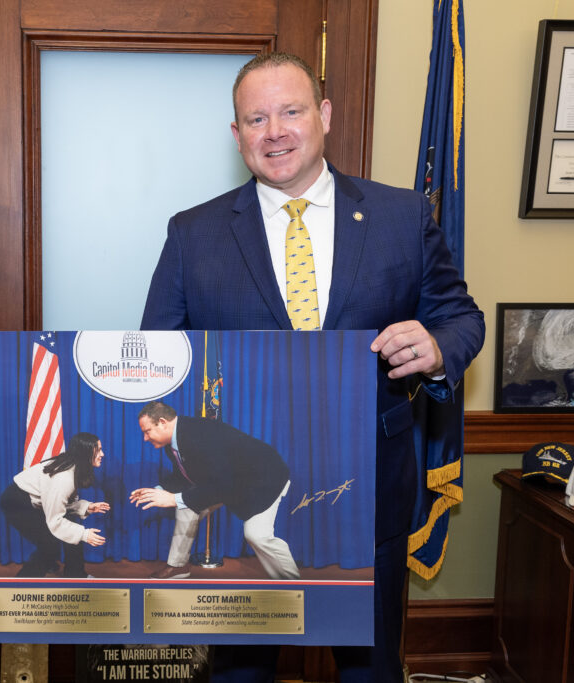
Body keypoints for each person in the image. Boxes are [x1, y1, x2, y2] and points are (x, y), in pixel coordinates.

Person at [140, 53, 485, 682]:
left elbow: (462, 318)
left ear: (324, 115)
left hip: (369, 487)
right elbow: (158, 355)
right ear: (237, 134)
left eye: (291, 112)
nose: (275, 132)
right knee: (239, 673)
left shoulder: (401, 217)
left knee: (371, 668)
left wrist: (437, 349)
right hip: (249, 485)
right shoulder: (194, 234)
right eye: (256, 119)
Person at [129, 401, 299, 580]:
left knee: (257, 536)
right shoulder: (174, 441)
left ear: (163, 422)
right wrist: (158, 490)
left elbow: (222, 484)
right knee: (186, 507)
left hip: (264, 479)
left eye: (147, 431)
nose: (145, 438)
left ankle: (294, 583)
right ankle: (178, 567)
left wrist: (173, 499)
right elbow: (185, 475)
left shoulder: (199, 436)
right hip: (229, 483)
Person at [0, 432, 111, 577]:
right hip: (16, 501)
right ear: (85, 452)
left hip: (36, 500)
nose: (102, 454)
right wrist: (84, 534)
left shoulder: (74, 465)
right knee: (49, 544)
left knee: (71, 528)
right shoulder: (64, 478)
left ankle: (76, 575)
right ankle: (22, 584)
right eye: (98, 450)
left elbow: (59, 503)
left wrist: (86, 507)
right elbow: (55, 520)